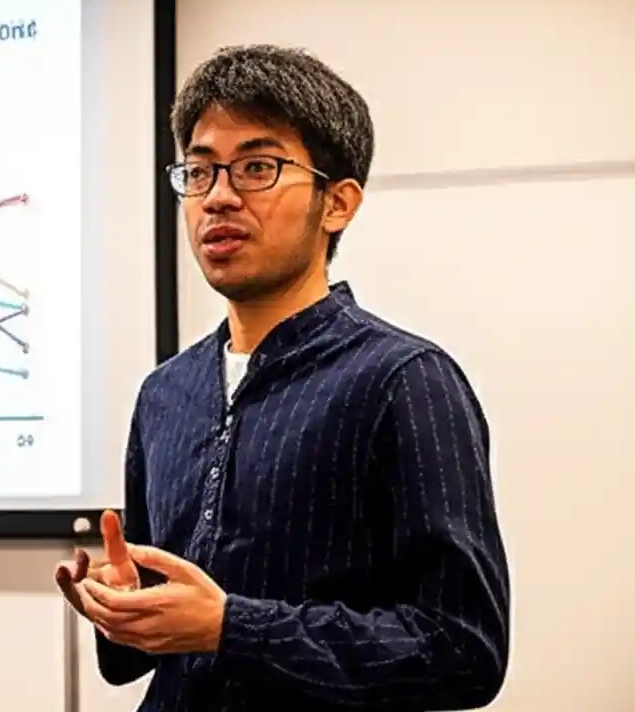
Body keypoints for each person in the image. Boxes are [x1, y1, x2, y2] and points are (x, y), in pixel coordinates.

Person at [55, 44, 510, 711]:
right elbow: (136, 661)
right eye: (200, 172)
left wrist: (230, 626)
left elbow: (464, 649)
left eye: (257, 168)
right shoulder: (166, 394)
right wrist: (125, 608)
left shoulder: (403, 381)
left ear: (339, 203)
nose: (219, 198)